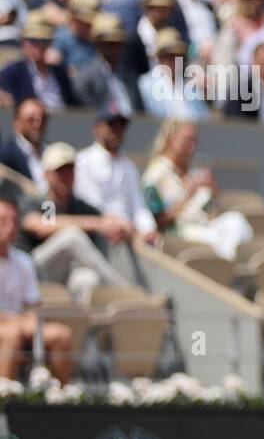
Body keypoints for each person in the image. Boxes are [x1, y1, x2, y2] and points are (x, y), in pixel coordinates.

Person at [17, 142, 134, 302]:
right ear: (46, 174)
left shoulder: (78, 205)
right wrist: (97, 224)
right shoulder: (45, 202)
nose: (66, 177)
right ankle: (128, 292)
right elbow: (44, 226)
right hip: (33, 272)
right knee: (72, 236)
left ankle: (87, 325)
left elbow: (107, 220)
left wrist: (122, 226)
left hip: (65, 274)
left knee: (88, 279)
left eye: (69, 170)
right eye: (60, 172)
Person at [142, 120, 252, 259]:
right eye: (187, 140)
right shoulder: (155, 175)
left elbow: (211, 214)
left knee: (237, 222)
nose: (192, 147)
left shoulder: (193, 171)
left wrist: (214, 192)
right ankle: (225, 271)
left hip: (204, 226)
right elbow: (157, 222)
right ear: (171, 138)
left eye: (194, 141)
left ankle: (226, 268)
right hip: (178, 233)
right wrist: (187, 196)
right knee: (219, 241)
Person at [0, 193, 73, 384]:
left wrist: (30, 323)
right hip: (12, 326)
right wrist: (18, 322)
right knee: (13, 334)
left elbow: (33, 305)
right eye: (3, 221)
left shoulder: (24, 261)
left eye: (14, 221)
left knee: (61, 335)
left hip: (19, 324)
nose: (9, 227)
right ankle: (5, 400)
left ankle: (60, 398)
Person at [74, 104, 160, 246]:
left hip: (128, 236)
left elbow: (139, 206)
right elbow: (91, 204)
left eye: (121, 126)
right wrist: (120, 225)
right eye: (111, 124)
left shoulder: (129, 166)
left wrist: (149, 230)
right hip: (99, 236)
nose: (116, 130)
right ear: (97, 128)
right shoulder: (83, 162)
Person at [0, 16, 77, 110]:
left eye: (44, 41)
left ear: (50, 44)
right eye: (33, 41)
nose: (38, 46)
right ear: (23, 42)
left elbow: (74, 105)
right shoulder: (11, 73)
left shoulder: (59, 72)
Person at [0, 98, 48, 189]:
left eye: (43, 119)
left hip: (51, 203)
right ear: (17, 123)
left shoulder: (52, 150)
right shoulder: (5, 155)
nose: (38, 124)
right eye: (31, 119)